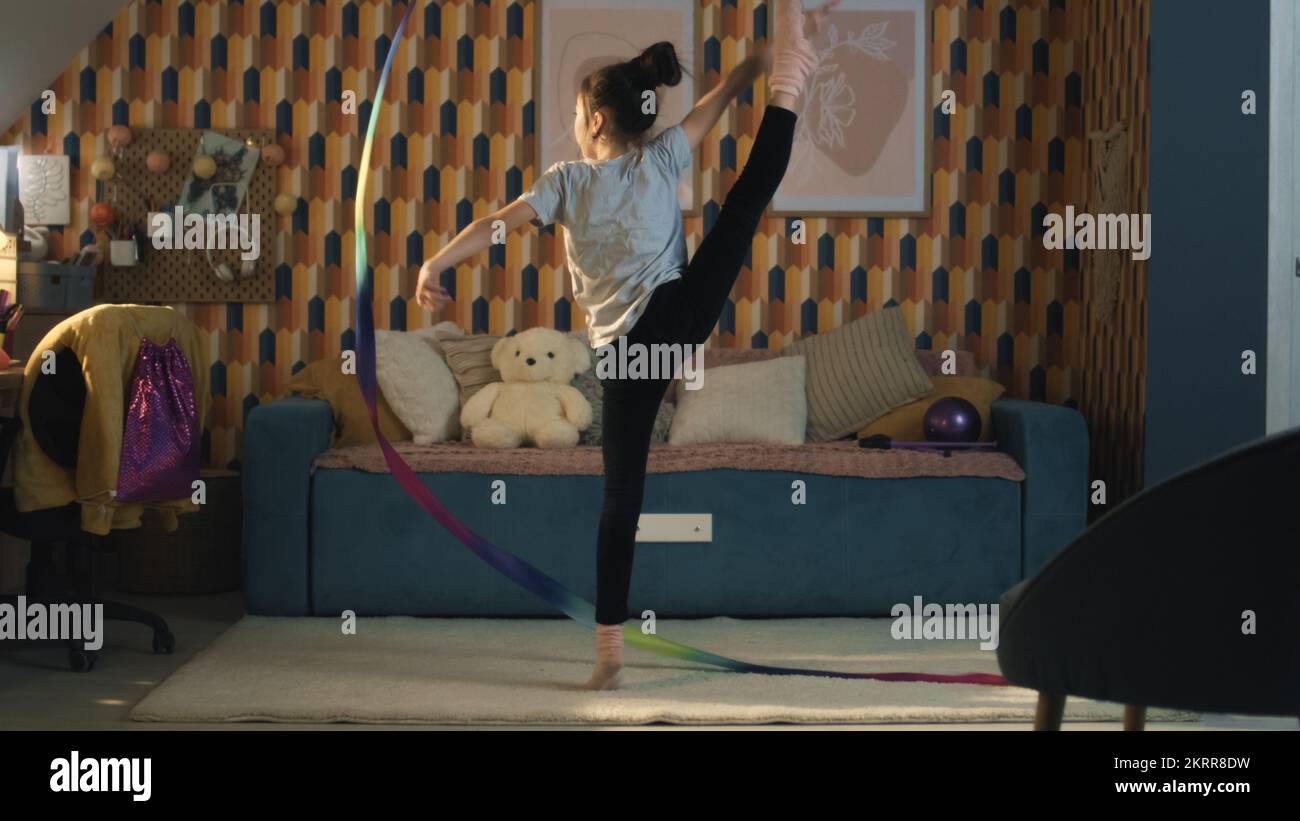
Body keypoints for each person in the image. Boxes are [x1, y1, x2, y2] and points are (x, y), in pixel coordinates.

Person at [416, 0, 839, 690]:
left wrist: (438, 262)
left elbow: (497, 223)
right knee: (739, 209)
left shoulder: (567, 181)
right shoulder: (662, 152)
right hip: (677, 321)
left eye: (578, 117)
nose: (576, 128)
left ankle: (608, 652)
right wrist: (754, 68)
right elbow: (712, 103)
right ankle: (794, 76)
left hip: (628, 356)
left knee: (622, 498)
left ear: (595, 121)